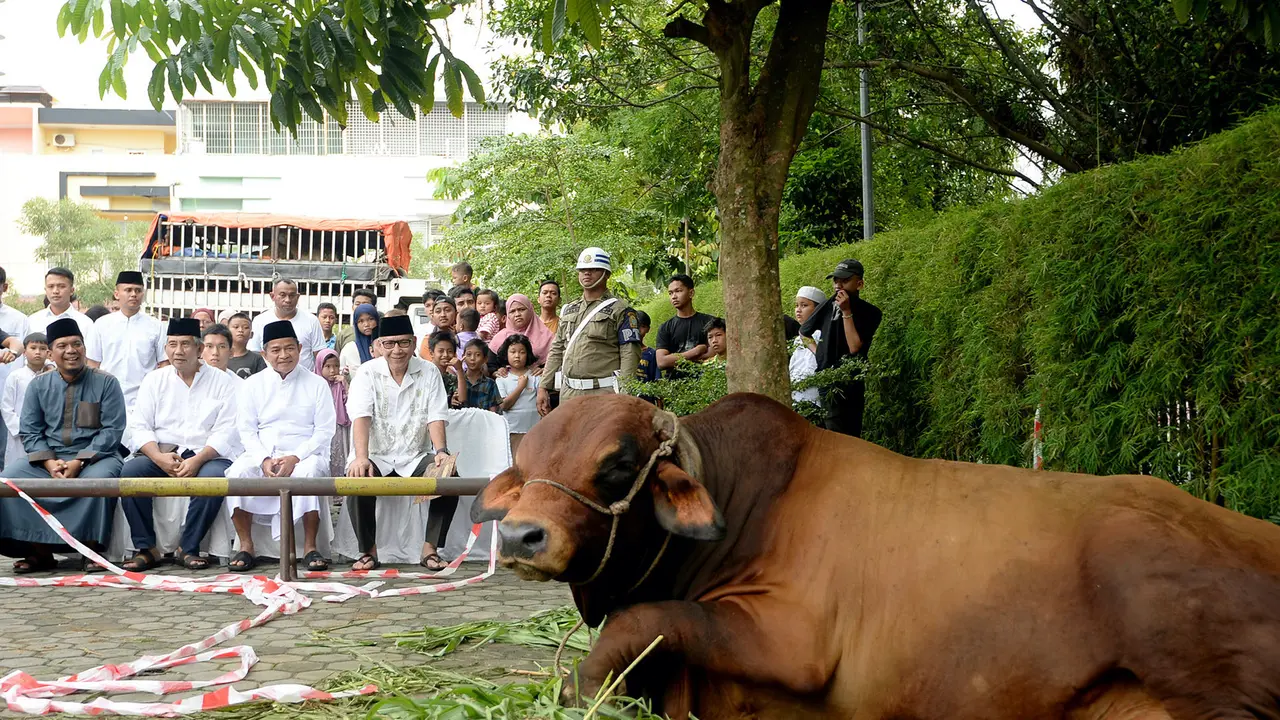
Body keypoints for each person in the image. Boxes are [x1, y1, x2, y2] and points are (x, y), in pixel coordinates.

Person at [0, 318, 125, 573]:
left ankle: (91, 551)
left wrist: (79, 461)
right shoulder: (38, 385)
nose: (71, 350)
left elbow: (112, 430)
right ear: (50, 353)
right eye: (62, 345)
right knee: (10, 480)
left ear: (85, 348)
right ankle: (39, 552)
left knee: (99, 482)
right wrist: (48, 461)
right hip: (48, 458)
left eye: (76, 344)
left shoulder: (107, 383)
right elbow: (30, 430)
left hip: (96, 457)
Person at [119, 318, 239, 572]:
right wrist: (157, 457)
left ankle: (189, 547)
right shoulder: (154, 380)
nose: (178, 351)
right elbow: (140, 425)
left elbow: (227, 430)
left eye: (185, 344)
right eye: (172, 344)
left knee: (214, 479)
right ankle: (146, 548)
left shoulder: (223, 382)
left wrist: (198, 460)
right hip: (162, 455)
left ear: (199, 349)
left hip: (207, 456)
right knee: (130, 473)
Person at [345, 314, 453, 571]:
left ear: (414, 342)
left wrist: (441, 452)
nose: (397, 350)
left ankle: (430, 549)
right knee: (357, 478)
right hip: (376, 452)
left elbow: (436, 416)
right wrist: (361, 457)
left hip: (414, 454)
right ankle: (368, 551)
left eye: (403, 343)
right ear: (379, 345)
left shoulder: (429, 372)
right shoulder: (367, 373)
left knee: (449, 474)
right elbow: (361, 416)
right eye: (390, 343)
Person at [225, 321, 334, 573]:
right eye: (275, 350)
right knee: (237, 474)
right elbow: (247, 430)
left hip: (304, 452)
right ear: (264, 354)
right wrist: (263, 459)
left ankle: (309, 547)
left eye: (289, 348)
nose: (283, 355)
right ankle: (246, 545)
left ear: (299, 348)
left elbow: (324, 430)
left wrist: (296, 457)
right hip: (263, 451)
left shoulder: (317, 384)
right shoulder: (252, 384)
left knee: (309, 474)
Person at [537, 248, 642, 415]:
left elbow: (630, 353)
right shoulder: (568, 310)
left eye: (594, 269)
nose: (587, 273)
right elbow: (557, 349)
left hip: (604, 394)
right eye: (583, 270)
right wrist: (543, 386)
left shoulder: (620, 310)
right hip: (569, 393)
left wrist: (625, 394)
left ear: (606, 274)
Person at [800, 259, 883, 437]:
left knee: (852, 434)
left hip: (852, 380)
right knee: (835, 434)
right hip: (828, 380)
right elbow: (804, 332)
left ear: (859, 284)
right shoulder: (828, 305)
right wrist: (819, 354)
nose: (838, 286)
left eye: (844, 281)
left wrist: (846, 312)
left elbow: (854, 347)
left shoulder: (871, 313)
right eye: (835, 281)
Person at [95, 271, 168, 414]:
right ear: (117, 294)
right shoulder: (101, 324)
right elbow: (93, 364)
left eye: (138, 290)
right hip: (106, 398)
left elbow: (164, 364)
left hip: (145, 400)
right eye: (128, 290)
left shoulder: (156, 326)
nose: (133, 294)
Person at [27, 268, 100, 369]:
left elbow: (91, 359)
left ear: (71, 290)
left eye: (61, 286)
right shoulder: (33, 321)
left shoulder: (85, 323)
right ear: (45, 290)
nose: (55, 291)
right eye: (51, 286)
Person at [247, 279, 327, 371]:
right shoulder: (260, 321)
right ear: (272, 296)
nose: (288, 300)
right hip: (269, 381)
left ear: (297, 297)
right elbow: (254, 353)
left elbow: (320, 355)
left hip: (304, 380)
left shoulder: (311, 320)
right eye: (283, 295)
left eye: (292, 295)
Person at [2, 333, 53, 467]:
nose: (38, 352)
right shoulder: (16, 376)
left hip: (46, 431)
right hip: (19, 433)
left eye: (42, 349)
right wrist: (23, 428)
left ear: (48, 353)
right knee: (18, 466)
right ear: (24, 352)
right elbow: (7, 408)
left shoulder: (52, 376)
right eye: (33, 348)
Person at [655, 274, 714, 378]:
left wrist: (673, 359)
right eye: (670, 293)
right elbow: (662, 362)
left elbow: (714, 353)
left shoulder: (710, 322)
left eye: (678, 291)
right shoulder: (665, 328)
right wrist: (696, 351)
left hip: (706, 384)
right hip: (675, 386)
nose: (674, 296)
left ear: (691, 293)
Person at [486, 294, 554, 375]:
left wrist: (546, 371)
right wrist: (496, 372)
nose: (517, 314)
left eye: (521, 309)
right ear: (508, 315)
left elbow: (557, 363)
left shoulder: (547, 336)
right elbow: (490, 365)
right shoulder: (499, 338)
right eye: (512, 311)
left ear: (530, 310)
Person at [495, 334, 540, 456]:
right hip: (512, 430)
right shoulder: (502, 379)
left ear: (528, 354)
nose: (517, 356)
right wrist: (521, 387)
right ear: (506, 354)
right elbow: (504, 405)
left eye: (522, 352)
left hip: (534, 429)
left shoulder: (536, 376)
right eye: (513, 352)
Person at [315, 349, 350, 478]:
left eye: (336, 366)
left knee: (340, 457)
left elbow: (350, 402)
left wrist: (345, 384)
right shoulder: (316, 386)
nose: (332, 370)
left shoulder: (340, 384)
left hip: (339, 429)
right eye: (327, 366)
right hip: (322, 428)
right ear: (319, 366)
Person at [791, 286, 826, 407]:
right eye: (796, 305)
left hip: (813, 401)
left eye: (804, 305)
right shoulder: (797, 340)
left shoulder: (822, 335)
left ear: (818, 309)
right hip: (796, 400)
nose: (798, 310)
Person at [339, 303, 379, 378]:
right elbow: (341, 372)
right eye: (361, 321)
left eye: (371, 319)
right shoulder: (350, 348)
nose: (366, 324)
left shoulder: (385, 345)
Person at [460, 339, 501, 412]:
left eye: (477, 355)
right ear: (463, 356)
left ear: (485, 359)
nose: (472, 358)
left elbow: (493, 411)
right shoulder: (458, 380)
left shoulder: (490, 384)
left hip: (483, 421)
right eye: (469, 354)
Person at [334, 287, 378, 354]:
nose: (361, 307)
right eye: (357, 304)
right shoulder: (344, 335)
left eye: (365, 304)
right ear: (352, 307)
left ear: (374, 308)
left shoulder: (382, 335)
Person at [428, 331, 466, 407]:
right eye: (441, 351)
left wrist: (459, 370)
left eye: (449, 351)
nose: (445, 355)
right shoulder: (424, 374)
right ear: (431, 353)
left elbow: (462, 399)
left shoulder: (451, 378)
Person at [226, 312, 267, 379]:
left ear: (251, 334)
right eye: (236, 327)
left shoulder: (257, 358)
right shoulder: (222, 356)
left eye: (245, 327)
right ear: (227, 332)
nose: (240, 330)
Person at [635, 311, 659, 383]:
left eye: (642, 326)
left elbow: (657, 379)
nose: (638, 330)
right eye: (636, 326)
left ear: (648, 329)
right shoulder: (620, 351)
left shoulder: (652, 354)